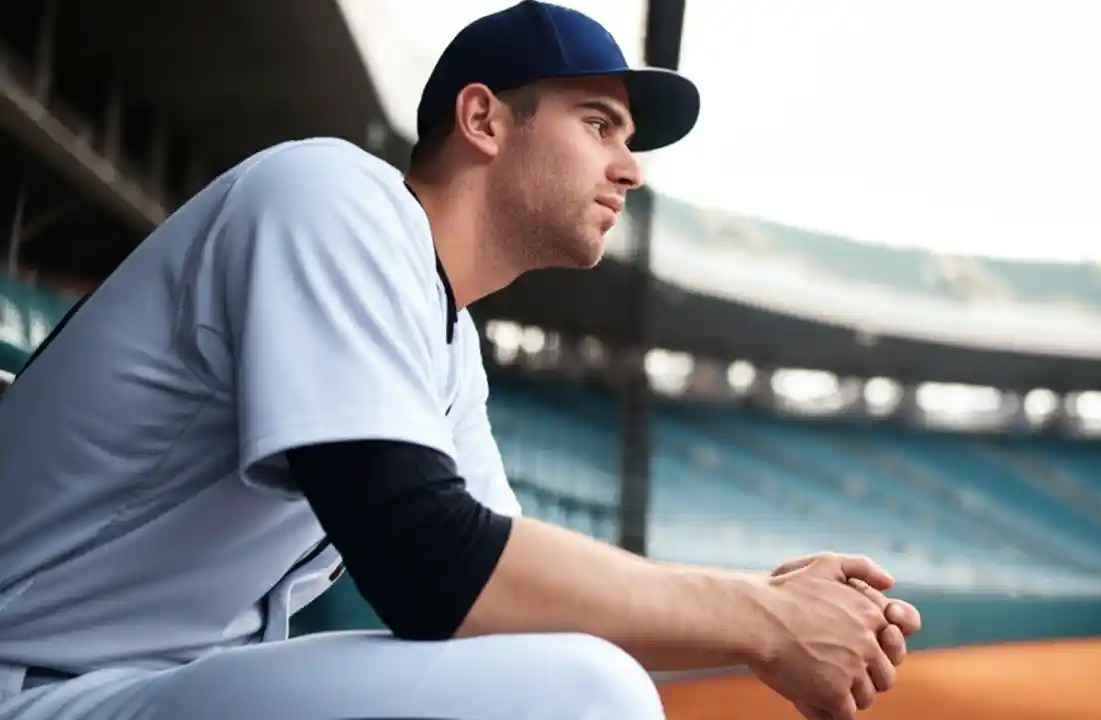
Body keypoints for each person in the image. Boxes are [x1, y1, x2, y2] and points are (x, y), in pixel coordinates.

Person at [0, 2, 921, 719]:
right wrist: (760, 621)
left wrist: (775, 599)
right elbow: (427, 562)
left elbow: (504, 600)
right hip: (31, 672)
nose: (630, 168)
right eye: (600, 124)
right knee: (585, 699)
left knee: (564, 669)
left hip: (136, 681)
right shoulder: (331, 196)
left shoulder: (450, 347)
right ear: (483, 119)